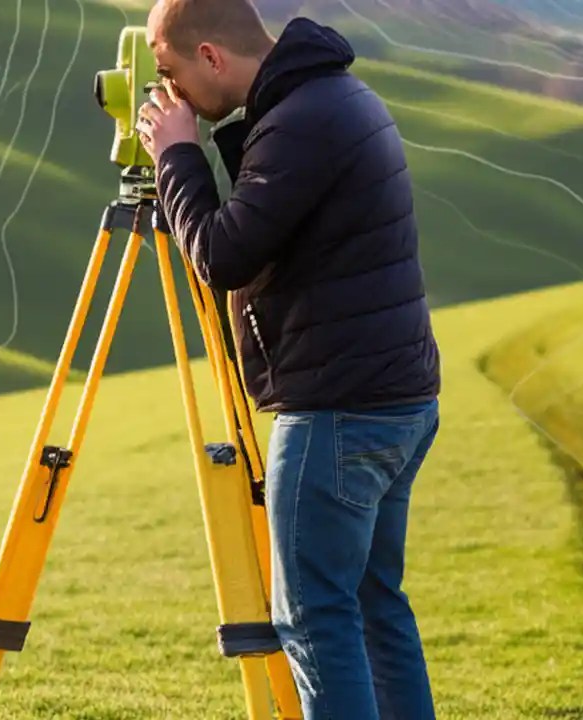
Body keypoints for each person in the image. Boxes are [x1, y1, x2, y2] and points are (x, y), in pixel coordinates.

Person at [134, 1, 443, 719]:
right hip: (394, 399)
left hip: (339, 410)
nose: (169, 94)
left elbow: (220, 253)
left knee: (314, 620)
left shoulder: (303, 120)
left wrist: (178, 153)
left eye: (170, 73)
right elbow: (281, 220)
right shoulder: (329, 97)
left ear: (210, 56)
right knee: (373, 606)